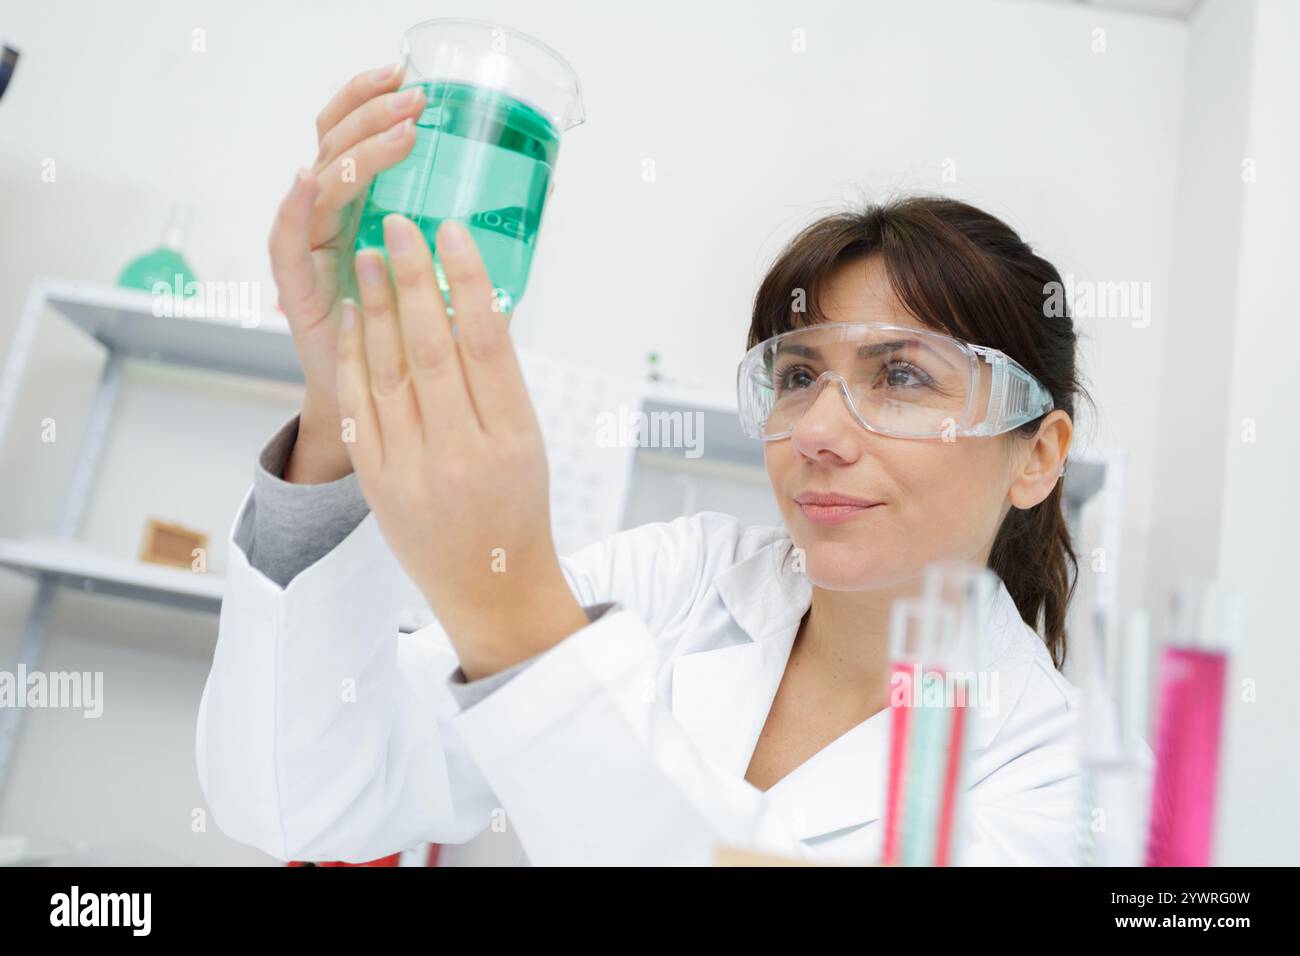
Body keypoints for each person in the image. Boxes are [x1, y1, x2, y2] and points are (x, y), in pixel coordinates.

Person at [195, 64, 1086, 866]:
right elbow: (304, 800)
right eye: (798, 374)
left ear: (1037, 456)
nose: (819, 430)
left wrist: (506, 604)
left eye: (899, 376)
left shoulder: (1058, 778)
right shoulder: (677, 581)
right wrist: (339, 409)